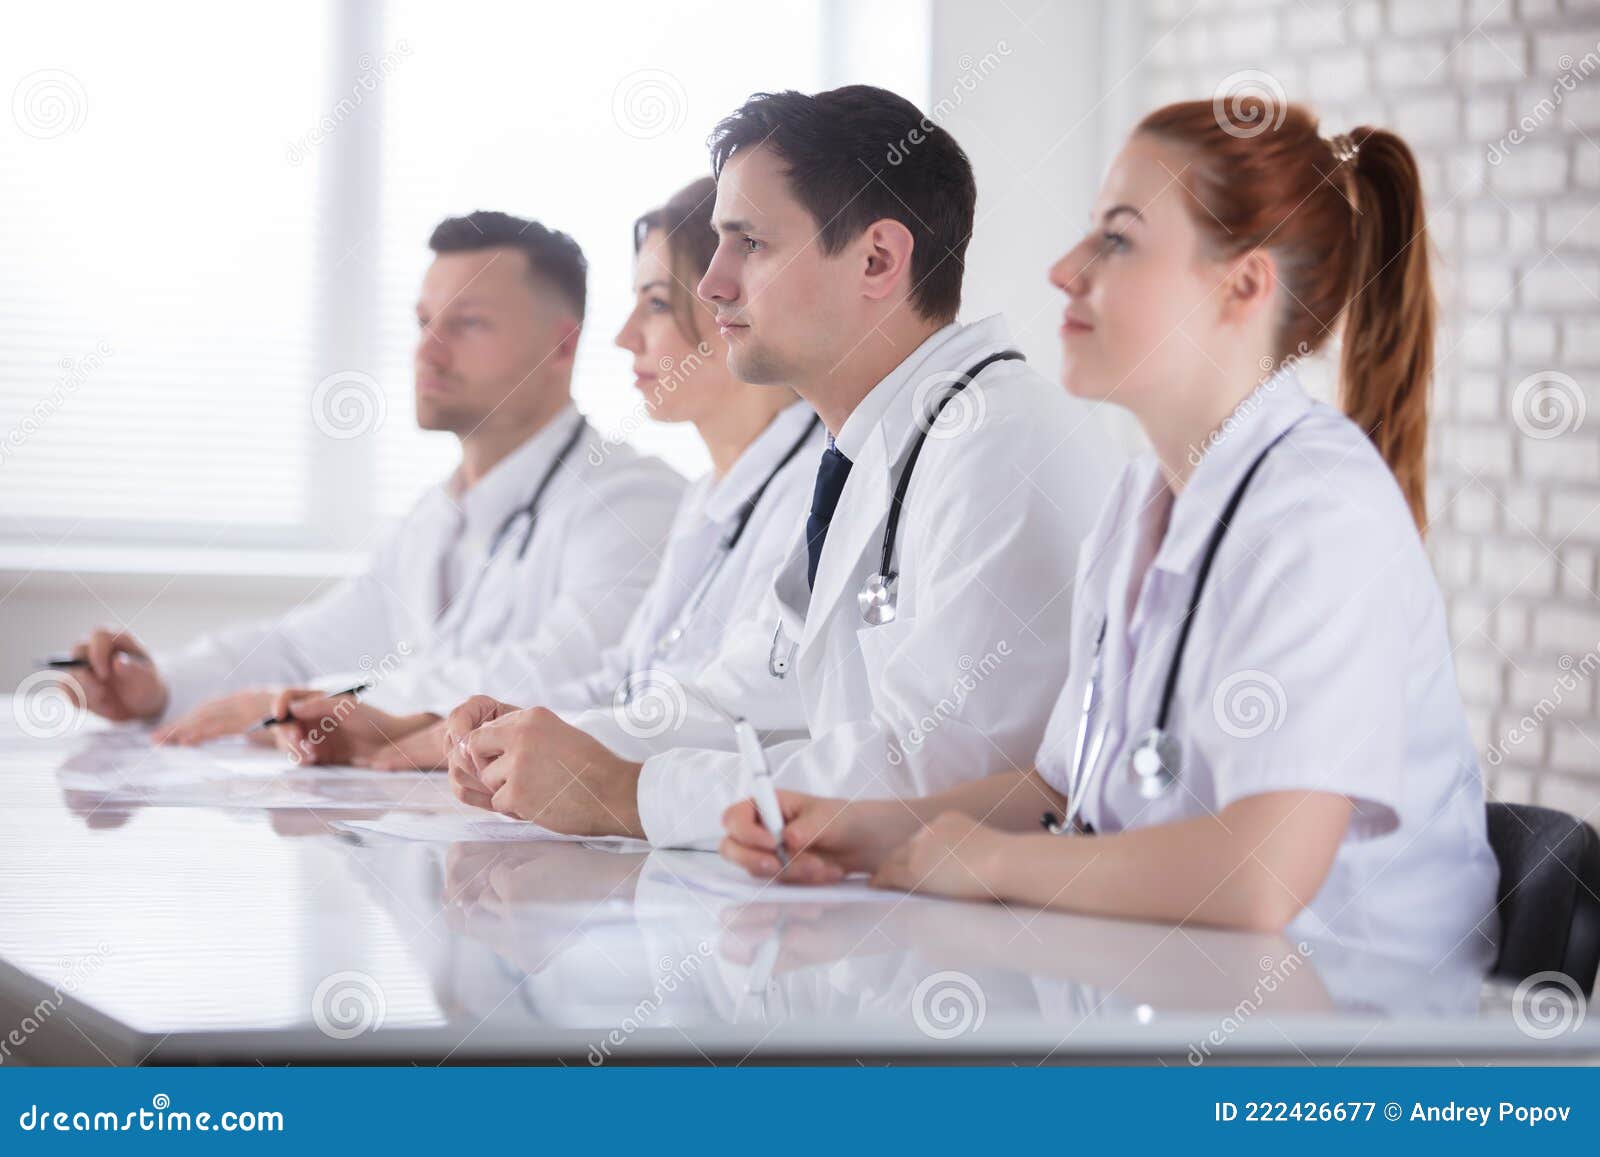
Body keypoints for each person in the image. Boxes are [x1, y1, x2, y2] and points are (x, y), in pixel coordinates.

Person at [720, 99, 1500, 965]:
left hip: (1352, 1038)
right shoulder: (1143, 498)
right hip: (1177, 995)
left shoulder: (1318, 504)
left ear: (1243, 285)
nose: (1064, 269)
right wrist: (856, 828)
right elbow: (1063, 789)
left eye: (1118, 240)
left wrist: (1001, 864)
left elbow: (1261, 875)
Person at [445, 86, 1117, 845]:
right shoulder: (867, 454)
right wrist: (555, 742)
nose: (712, 284)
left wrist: (629, 794)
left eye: (749, 244)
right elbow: (748, 697)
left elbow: (954, 777)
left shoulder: (998, 443)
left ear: (877, 259)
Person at [59, 212, 683, 744]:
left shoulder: (631, 500)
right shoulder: (436, 516)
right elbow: (306, 646)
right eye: (423, 322)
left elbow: (562, 671)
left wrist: (297, 703)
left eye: (466, 324)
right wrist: (160, 685)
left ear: (561, 347)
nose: (425, 351)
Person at [270, 178, 823, 770]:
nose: (622, 335)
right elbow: (623, 685)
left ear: (743, 306)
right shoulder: (708, 499)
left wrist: (455, 740)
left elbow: (730, 714)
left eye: (657, 303)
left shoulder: (809, 497)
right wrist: (431, 731)